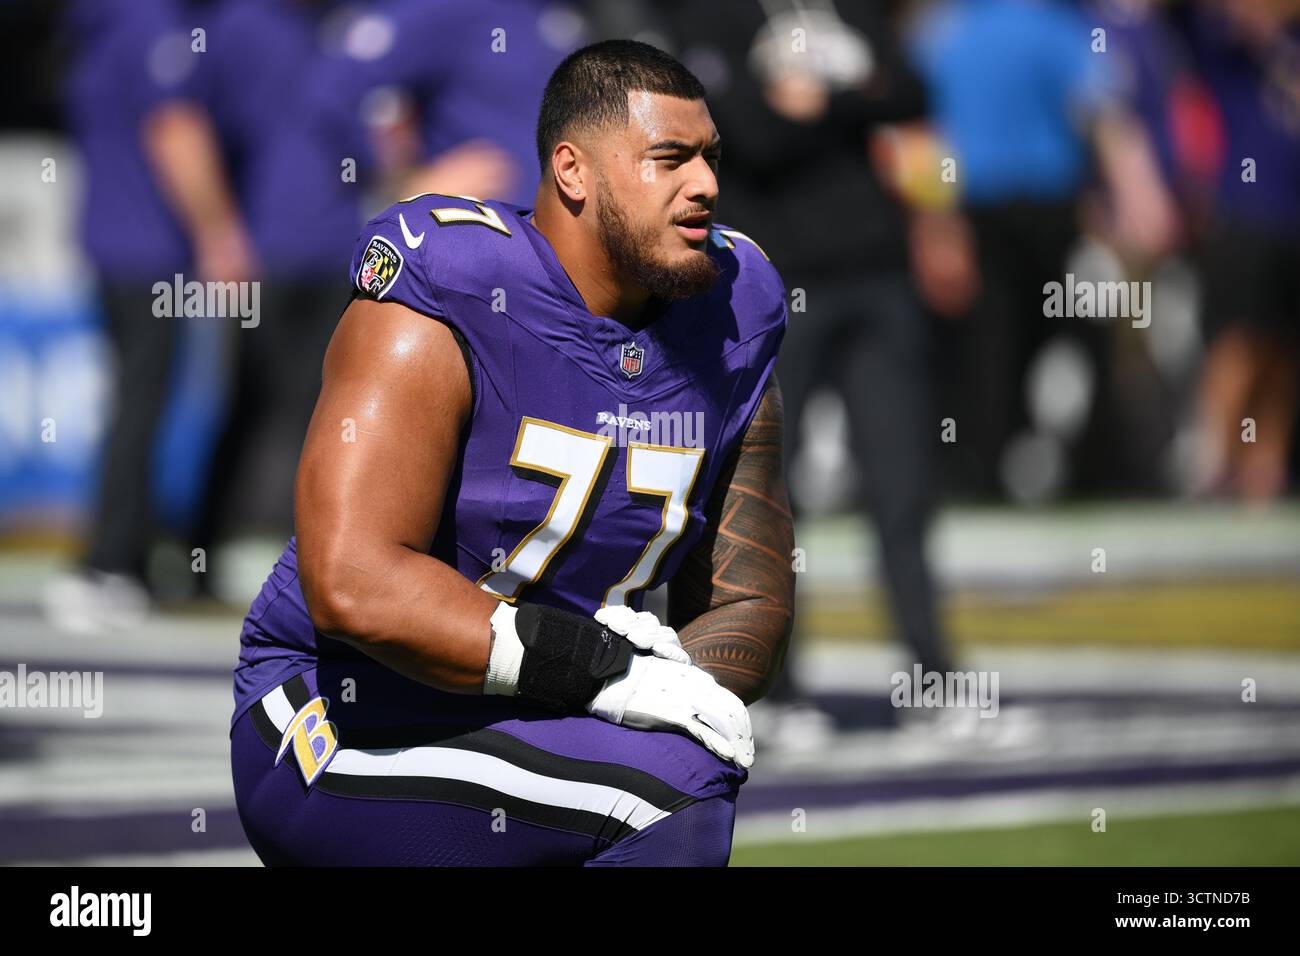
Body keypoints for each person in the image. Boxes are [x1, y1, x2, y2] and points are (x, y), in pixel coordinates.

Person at [230, 40, 795, 866]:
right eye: (669, 159)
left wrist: (671, 690)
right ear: (574, 171)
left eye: (710, 157)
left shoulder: (735, 310)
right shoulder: (452, 283)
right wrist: (604, 673)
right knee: (666, 794)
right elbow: (352, 584)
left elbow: (751, 594)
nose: (705, 184)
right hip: (345, 709)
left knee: (692, 754)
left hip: (534, 709)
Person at [47, 0, 252, 632]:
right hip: (146, 249)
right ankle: (108, 564)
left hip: (113, 243)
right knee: (141, 407)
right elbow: (175, 133)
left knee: (136, 405)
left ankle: (120, 560)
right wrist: (219, 230)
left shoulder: (100, 26)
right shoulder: (150, 28)